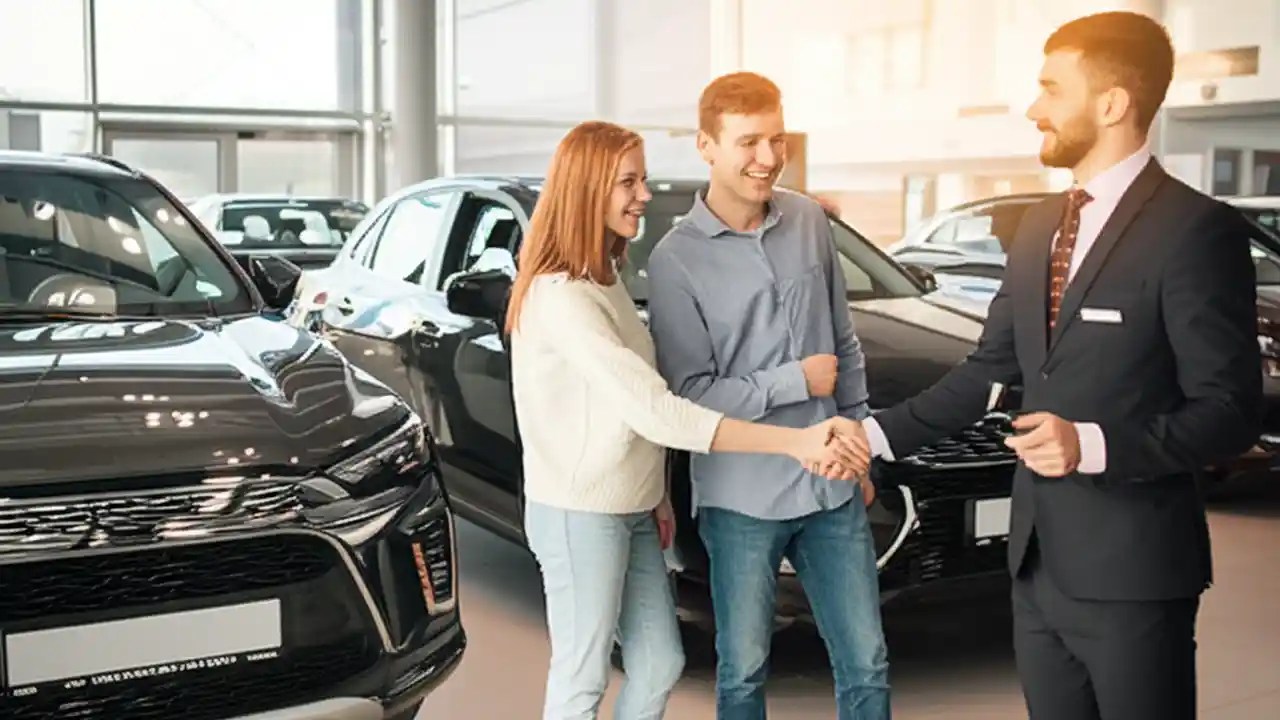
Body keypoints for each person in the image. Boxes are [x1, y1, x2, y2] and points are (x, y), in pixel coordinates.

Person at [855, 11, 1262, 720]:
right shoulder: (1041, 224)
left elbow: (1230, 413)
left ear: (1112, 104)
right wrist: (868, 439)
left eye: (1050, 88)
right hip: (1036, 565)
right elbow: (985, 372)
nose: (1033, 108)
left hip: (1135, 575)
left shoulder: (1197, 230)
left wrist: (1091, 443)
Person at [504, 119, 870, 720]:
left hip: (634, 505)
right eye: (628, 182)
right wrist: (795, 441)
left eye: (642, 178)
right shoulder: (560, 296)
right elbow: (656, 409)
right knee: (581, 676)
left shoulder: (606, 276)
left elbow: (628, 405)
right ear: (585, 189)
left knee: (659, 663)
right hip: (579, 513)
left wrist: (656, 494)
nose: (644, 194)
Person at [645, 72, 890, 720]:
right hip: (742, 500)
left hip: (832, 486)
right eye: (749, 141)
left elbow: (844, 341)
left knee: (866, 665)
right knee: (744, 673)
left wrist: (860, 441)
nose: (768, 158)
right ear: (706, 144)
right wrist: (793, 382)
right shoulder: (675, 261)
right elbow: (691, 396)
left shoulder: (809, 219)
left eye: (777, 140)